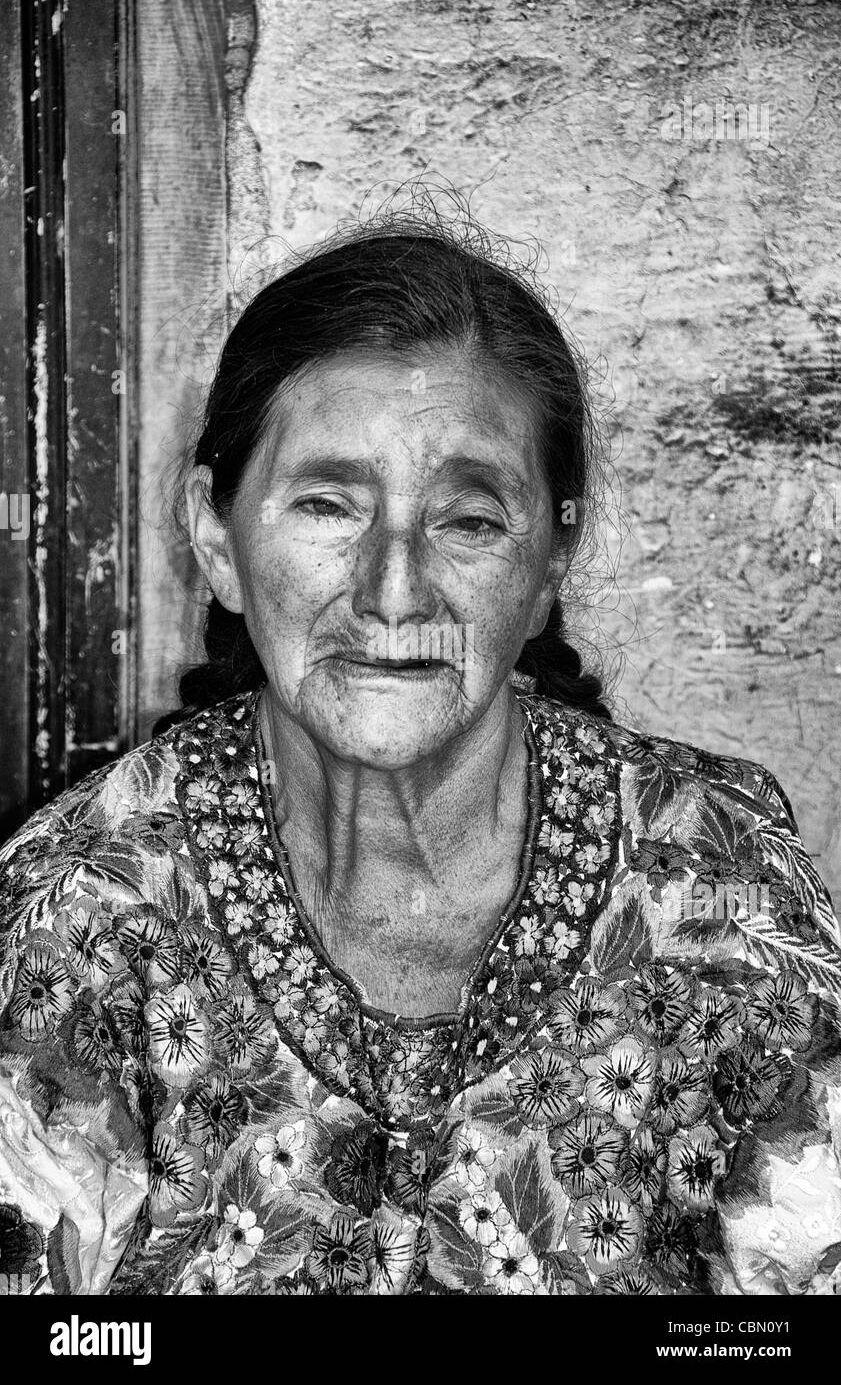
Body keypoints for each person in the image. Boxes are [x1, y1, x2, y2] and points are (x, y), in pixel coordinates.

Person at [1, 219, 840, 1297]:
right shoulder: (81, 909)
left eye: (468, 520)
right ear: (216, 539)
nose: (391, 588)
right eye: (327, 504)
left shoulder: (716, 878)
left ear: (550, 559)